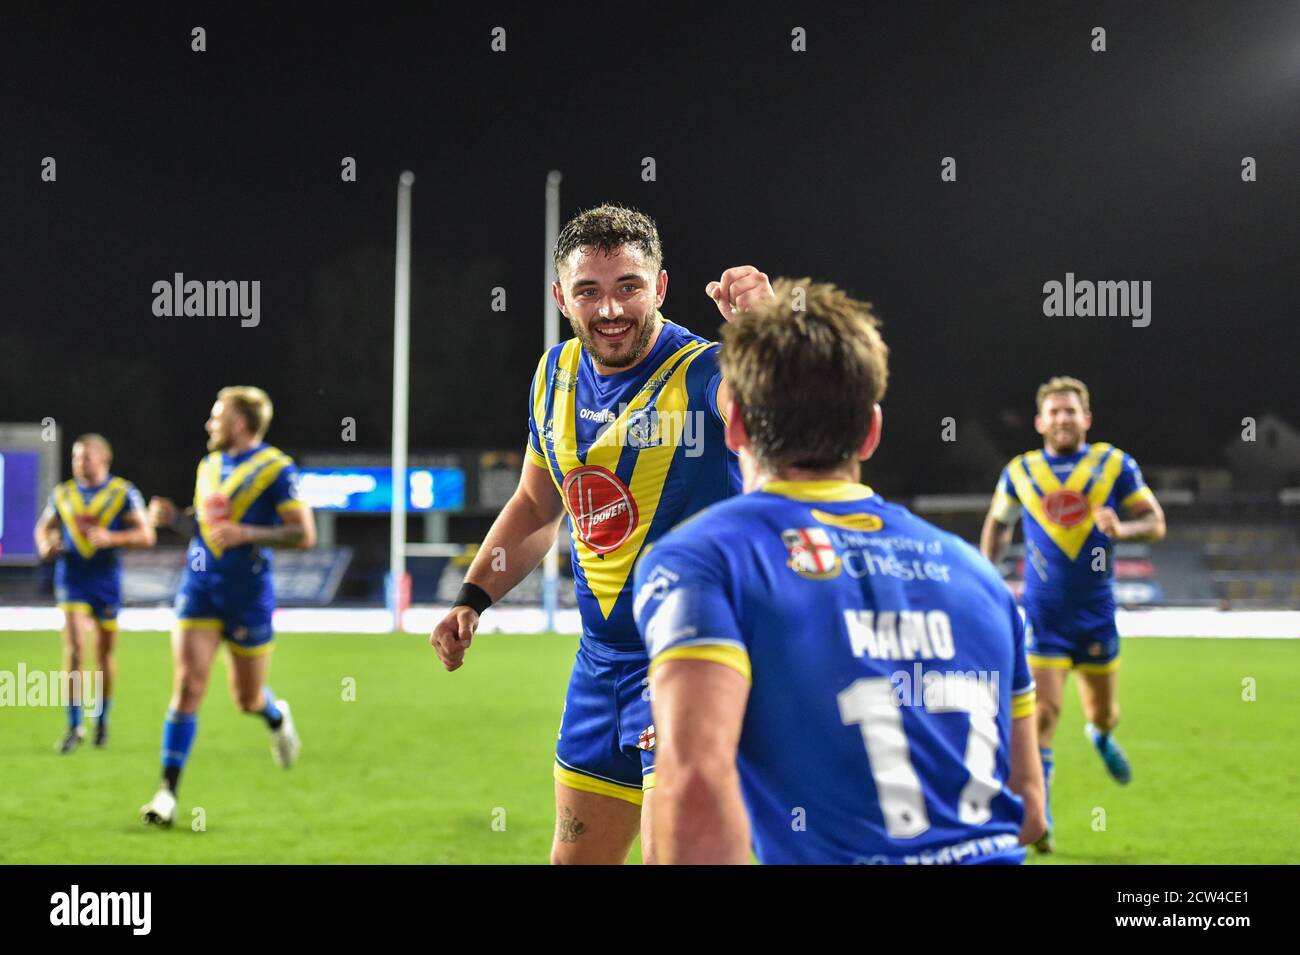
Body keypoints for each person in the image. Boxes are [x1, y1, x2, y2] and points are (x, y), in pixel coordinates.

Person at [634, 278, 1046, 864]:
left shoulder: (703, 559)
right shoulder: (978, 575)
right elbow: (1029, 809)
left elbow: (696, 787)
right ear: (872, 430)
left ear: (735, 428)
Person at [430, 204, 772, 863]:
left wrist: (765, 331)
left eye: (628, 287)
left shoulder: (706, 374)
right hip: (600, 664)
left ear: (661, 288)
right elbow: (535, 505)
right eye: (589, 290)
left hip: (690, 659)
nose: (610, 309)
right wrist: (472, 598)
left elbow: (790, 419)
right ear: (561, 297)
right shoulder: (552, 375)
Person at [980, 376, 1165, 852]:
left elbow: (1156, 523)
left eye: (1071, 411)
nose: (1063, 419)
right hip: (1043, 615)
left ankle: (1101, 737)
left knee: (1104, 712)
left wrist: (1122, 528)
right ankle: (1038, 821)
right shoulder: (1020, 472)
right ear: (1040, 421)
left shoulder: (1113, 465)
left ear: (1087, 418)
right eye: (1054, 412)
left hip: (1097, 615)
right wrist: (987, 575)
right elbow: (998, 526)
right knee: (1043, 713)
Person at [139, 386, 316, 826]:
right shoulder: (209, 465)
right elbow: (207, 530)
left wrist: (248, 534)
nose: (209, 423)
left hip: (249, 597)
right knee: (187, 688)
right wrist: (174, 521)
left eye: (217, 416)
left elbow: (303, 535)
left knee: (247, 698)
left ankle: (275, 715)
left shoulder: (276, 468)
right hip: (199, 589)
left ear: (239, 423)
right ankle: (166, 794)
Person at [35, 434, 155, 751]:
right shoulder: (63, 493)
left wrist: (112, 539)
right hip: (73, 579)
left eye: (85, 457)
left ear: (104, 459)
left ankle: (101, 719)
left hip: (106, 581)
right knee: (74, 650)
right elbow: (43, 527)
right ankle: (74, 727)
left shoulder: (123, 493)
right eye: (75, 457)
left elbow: (146, 534)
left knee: (103, 654)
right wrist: (46, 544)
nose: (78, 463)